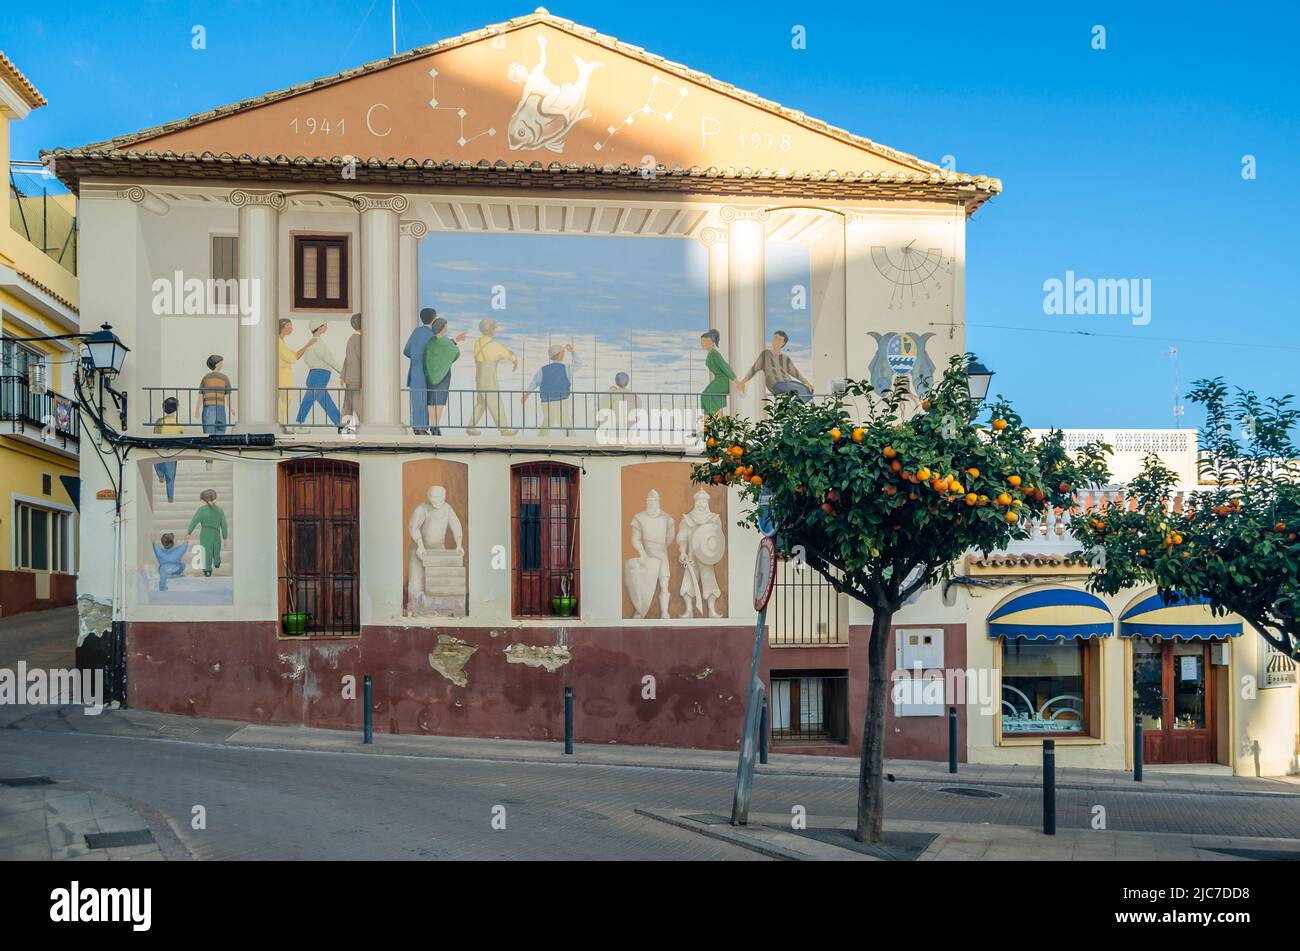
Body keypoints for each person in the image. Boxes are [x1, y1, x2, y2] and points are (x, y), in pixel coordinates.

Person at [406, 485, 465, 609]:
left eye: (439, 497)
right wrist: (420, 545)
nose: (435, 499)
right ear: (428, 496)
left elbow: (456, 525)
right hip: (419, 550)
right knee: (418, 583)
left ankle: (437, 609)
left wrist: (459, 544)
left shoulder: (448, 508)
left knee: (439, 581)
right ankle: (417, 611)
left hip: (438, 550)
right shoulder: (421, 508)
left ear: (444, 496)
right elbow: (413, 528)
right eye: (432, 497)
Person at [678, 489, 726, 618]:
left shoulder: (714, 519)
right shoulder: (687, 519)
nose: (701, 504)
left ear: (707, 502)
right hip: (691, 555)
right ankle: (689, 610)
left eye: (704, 501)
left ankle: (711, 610)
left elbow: (717, 539)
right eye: (699, 501)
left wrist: (714, 553)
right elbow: (682, 538)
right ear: (695, 502)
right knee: (688, 580)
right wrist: (682, 552)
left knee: (709, 579)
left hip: (706, 556)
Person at [627, 489, 675, 618]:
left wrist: (661, 547)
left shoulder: (667, 518)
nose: (652, 504)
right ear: (646, 502)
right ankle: (640, 611)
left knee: (664, 585)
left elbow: (670, 538)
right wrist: (642, 553)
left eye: (654, 502)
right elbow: (635, 539)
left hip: (662, 554)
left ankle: (665, 612)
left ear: (658, 502)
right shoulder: (639, 517)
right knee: (643, 584)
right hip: (646, 554)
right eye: (650, 502)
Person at [466, 318, 519, 436]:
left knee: (481, 403)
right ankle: (504, 430)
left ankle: (470, 427)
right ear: (490, 330)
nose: (495, 330)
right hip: (490, 381)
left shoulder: (478, 342)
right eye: (494, 328)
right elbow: (509, 356)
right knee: (496, 404)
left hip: (479, 380)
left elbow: (497, 353)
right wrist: (514, 359)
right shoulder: (495, 345)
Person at [522, 343, 580, 436]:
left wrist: (527, 394)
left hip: (546, 401)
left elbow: (535, 382)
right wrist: (573, 352)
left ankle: (541, 439)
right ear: (560, 354)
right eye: (563, 353)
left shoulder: (543, 370)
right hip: (562, 400)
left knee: (547, 421)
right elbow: (578, 364)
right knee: (564, 421)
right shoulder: (566, 368)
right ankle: (573, 440)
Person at [422, 317, 466, 436]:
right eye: (446, 325)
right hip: (444, 377)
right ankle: (436, 426)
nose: (447, 326)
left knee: (431, 401)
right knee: (440, 401)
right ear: (442, 328)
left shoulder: (430, 342)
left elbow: (426, 356)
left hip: (430, 376)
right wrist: (456, 343)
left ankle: (432, 425)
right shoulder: (446, 342)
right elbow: (455, 353)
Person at [742, 330, 814, 402]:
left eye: (779, 340)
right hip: (776, 384)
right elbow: (754, 368)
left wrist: (807, 383)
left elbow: (795, 372)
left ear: (783, 343)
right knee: (801, 390)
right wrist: (743, 382)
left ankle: (790, 409)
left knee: (809, 391)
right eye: (775, 338)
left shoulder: (785, 357)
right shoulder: (766, 354)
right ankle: (791, 410)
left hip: (788, 382)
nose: (776, 341)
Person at [298, 320, 344, 427]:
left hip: (315, 375)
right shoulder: (318, 343)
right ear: (319, 327)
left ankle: (298, 423)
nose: (327, 327)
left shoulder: (313, 342)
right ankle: (340, 425)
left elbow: (306, 359)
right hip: (319, 376)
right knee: (325, 401)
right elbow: (330, 360)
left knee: (309, 401)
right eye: (325, 325)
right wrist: (343, 372)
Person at [403, 308, 438, 432]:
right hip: (428, 374)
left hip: (415, 372)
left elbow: (406, 351)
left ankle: (417, 428)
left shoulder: (416, 332)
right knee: (427, 401)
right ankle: (423, 428)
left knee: (417, 401)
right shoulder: (433, 335)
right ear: (434, 319)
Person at [277, 319, 318, 425]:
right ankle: (282, 426)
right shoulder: (278, 343)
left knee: (284, 403)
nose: (291, 329)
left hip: (284, 377)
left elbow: (294, 355)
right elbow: (292, 358)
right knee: (284, 403)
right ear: (282, 328)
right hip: (282, 377)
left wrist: (307, 346)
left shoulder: (281, 342)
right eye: (289, 327)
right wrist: (308, 345)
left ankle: (282, 425)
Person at [187, 488, 228, 578]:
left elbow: (194, 521)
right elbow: (224, 524)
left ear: (205, 500)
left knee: (206, 552)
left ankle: (207, 570)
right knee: (216, 549)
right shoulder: (220, 510)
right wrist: (225, 537)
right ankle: (217, 562)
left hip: (205, 533)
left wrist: (189, 532)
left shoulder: (201, 510)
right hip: (216, 533)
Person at [699, 329, 741, 415]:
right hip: (718, 379)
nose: (702, 344)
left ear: (712, 342)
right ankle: (711, 418)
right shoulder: (710, 353)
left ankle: (714, 417)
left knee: (706, 396)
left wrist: (736, 381)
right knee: (704, 396)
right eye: (701, 342)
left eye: (704, 341)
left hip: (723, 380)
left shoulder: (714, 354)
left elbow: (725, 367)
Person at [152, 398, 183, 502]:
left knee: (156, 461)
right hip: (173, 450)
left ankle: (160, 475)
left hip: (161, 447)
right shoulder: (179, 423)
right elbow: (182, 436)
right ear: (176, 409)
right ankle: (170, 497)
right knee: (171, 475)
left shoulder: (159, 421)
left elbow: (155, 435)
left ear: (164, 408)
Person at [194, 355, 233, 435]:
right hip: (220, 408)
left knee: (208, 432)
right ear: (217, 364)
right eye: (221, 363)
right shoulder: (225, 378)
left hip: (208, 408)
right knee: (221, 430)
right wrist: (230, 408)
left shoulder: (206, 378)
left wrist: (197, 409)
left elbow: (201, 395)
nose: (222, 365)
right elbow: (228, 396)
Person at [341, 313, 363, 423]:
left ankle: (343, 425)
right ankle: (364, 422)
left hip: (350, 376)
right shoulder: (359, 340)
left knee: (348, 402)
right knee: (356, 401)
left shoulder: (351, 339)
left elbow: (346, 359)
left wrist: (343, 376)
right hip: (357, 376)